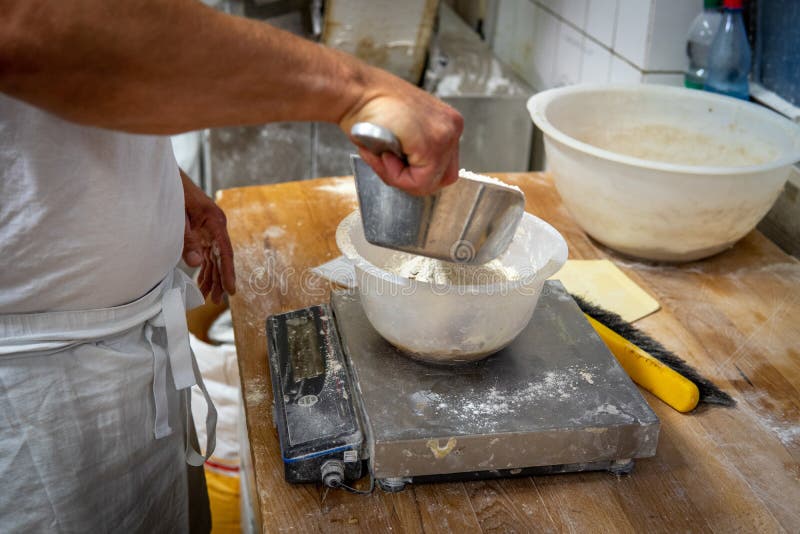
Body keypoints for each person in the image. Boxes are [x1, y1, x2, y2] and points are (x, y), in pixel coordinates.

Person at [0, 1, 463, 531]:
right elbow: (29, 23)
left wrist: (158, 178)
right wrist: (358, 91)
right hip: (33, 405)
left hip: (122, 362)